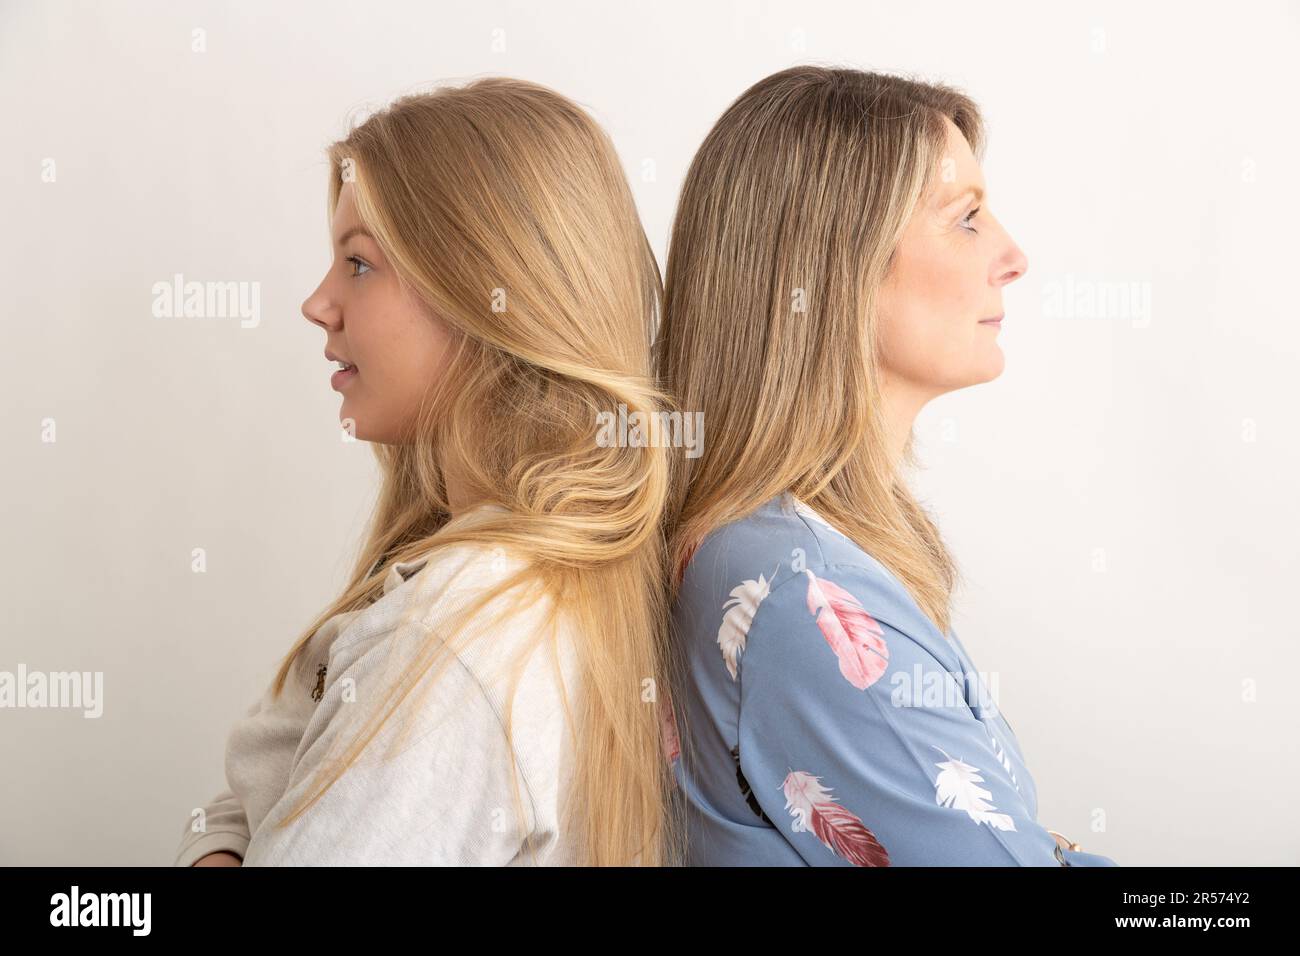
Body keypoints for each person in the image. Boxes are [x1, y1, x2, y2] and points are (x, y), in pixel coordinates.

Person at [174, 77, 678, 866]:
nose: (318, 303)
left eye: (359, 265)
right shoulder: (526, 587)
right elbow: (246, 799)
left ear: (488, 294)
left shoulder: (455, 638)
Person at [657, 65, 1117, 866]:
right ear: (840, 269)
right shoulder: (795, 593)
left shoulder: (798, 549)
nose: (1013, 255)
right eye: (967, 219)